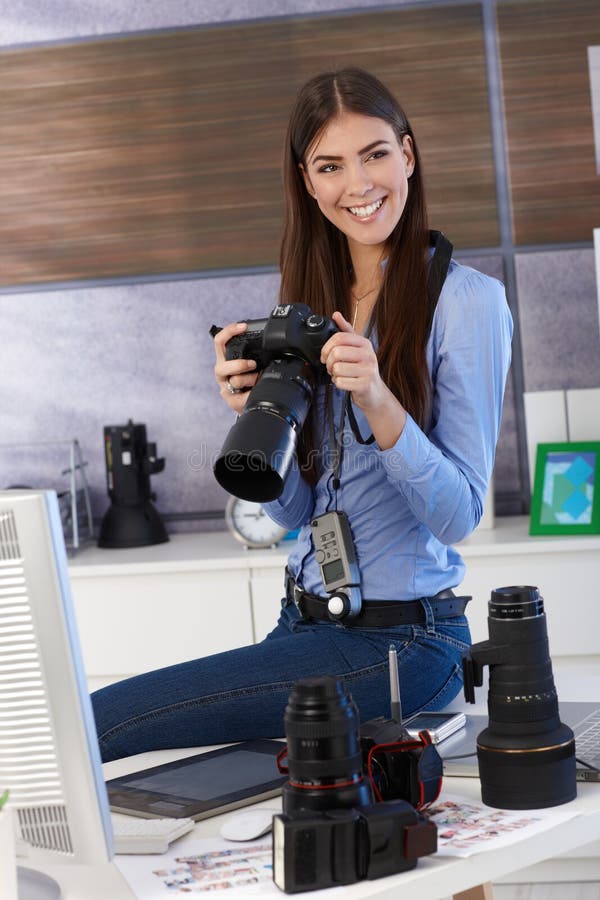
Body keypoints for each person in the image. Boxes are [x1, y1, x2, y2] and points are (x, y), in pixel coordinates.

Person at [92, 67, 512, 762]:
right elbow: (293, 513)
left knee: (101, 721)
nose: (359, 184)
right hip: (304, 622)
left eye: (375, 154)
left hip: (402, 645)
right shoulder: (308, 304)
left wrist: (378, 399)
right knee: (201, 791)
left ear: (408, 155)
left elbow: (459, 515)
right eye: (330, 166)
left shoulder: (468, 303)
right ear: (307, 182)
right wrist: (258, 419)